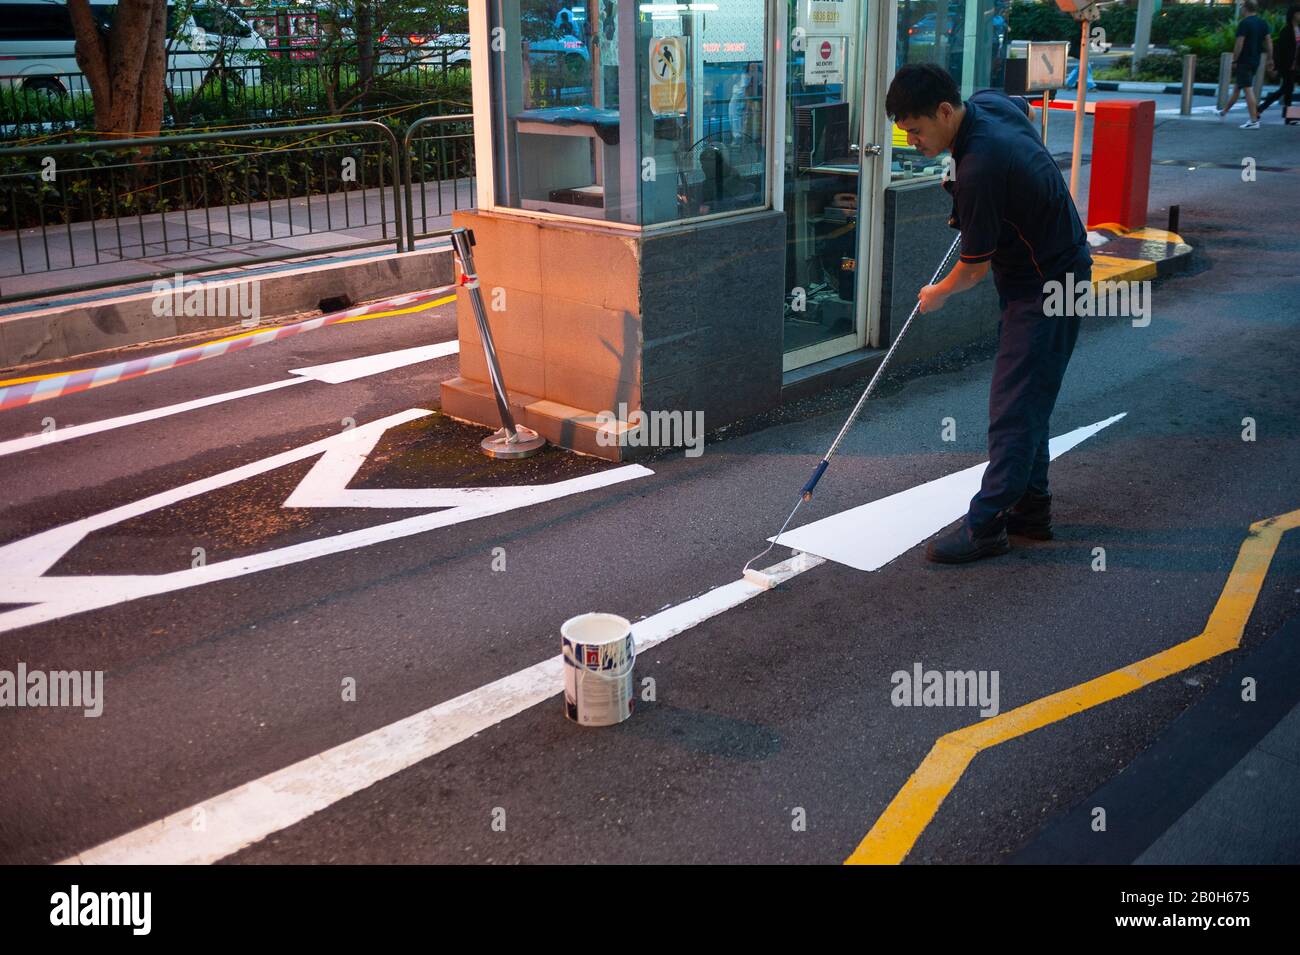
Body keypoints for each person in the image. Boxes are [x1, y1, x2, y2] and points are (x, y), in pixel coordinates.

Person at [884, 64, 1091, 564]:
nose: (911, 140)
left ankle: (987, 526)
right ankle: (1031, 512)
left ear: (945, 110)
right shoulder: (989, 106)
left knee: (1014, 408)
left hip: (1047, 287)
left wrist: (937, 293)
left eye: (916, 129)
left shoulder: (980, 167)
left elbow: (972, 269)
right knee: (1029, 396)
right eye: (903, 131)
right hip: (1047, 269)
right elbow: (1019, 106)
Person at [1217, 0, 1274, 129]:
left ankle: (1254, 120)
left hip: (1244, 60)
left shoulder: (1244, 23)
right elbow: (1269, 42)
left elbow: (1239, 43)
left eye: (1242, 7)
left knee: (1247, 88)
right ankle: (1223, 112)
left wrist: (1235, 60)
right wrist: (1271, 59)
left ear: (1245, 8)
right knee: (1238, 86)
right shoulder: (1262, 23)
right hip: (1255, 60)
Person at [1259, 4, 1300, 125]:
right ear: (1293, 15)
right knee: (1287, 89)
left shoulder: (1298, 29)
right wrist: (1276, 66)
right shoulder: (1286, 30)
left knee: (1287, 90)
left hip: (1294, 65)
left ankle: (1288, 117)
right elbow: (1280, 50)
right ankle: (1261, 108)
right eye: (1299, 13)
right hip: (1286, 65)